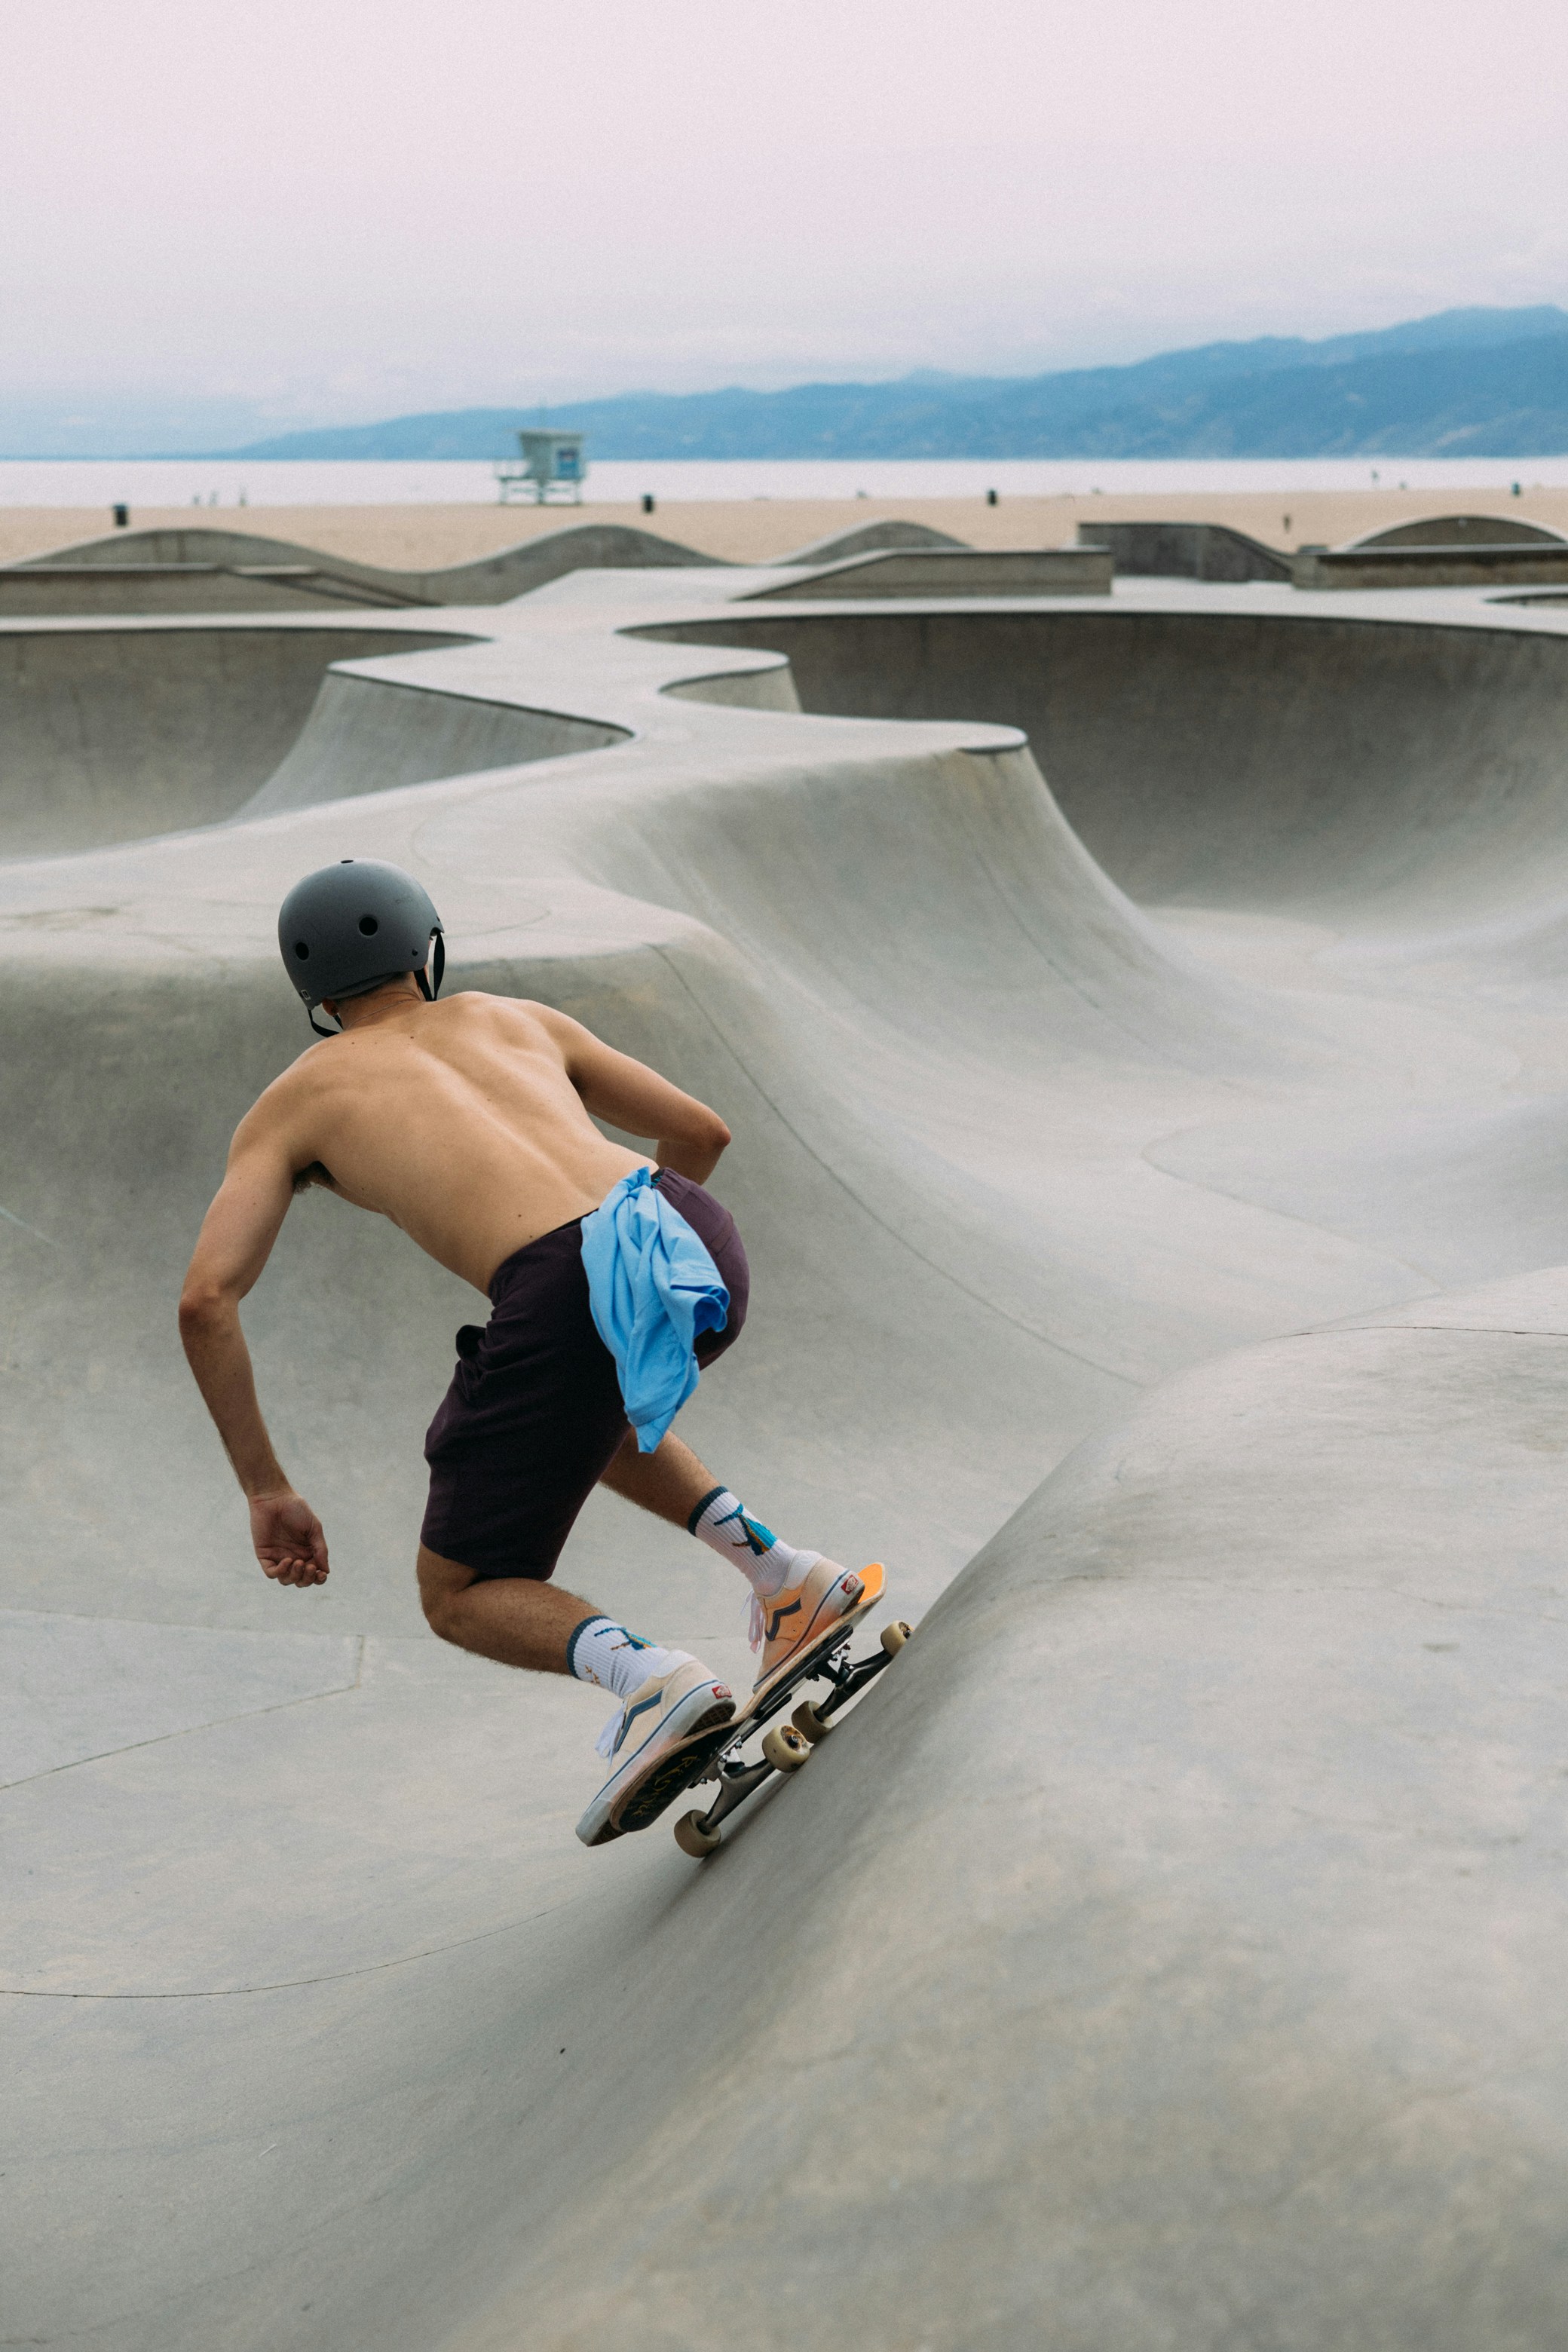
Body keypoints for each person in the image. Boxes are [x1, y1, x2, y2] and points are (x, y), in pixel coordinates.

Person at [178, 859, 868, 1845]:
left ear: (317, 1000)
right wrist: (640, 1260)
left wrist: (263, 1487)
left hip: (555, 1286)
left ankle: (654, 1683)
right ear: (428, 952)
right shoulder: (516, 1016)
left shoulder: (292, 1102)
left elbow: (207, 1299)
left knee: (458, 1592)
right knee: (592, 1406)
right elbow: (700, 1129)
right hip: (685, 1227)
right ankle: (790, 1580)